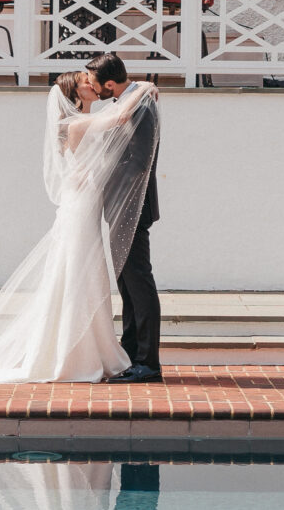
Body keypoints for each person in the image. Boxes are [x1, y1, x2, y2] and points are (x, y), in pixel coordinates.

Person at [0, 68, 158, 384]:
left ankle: (90, 350)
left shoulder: (85, 119)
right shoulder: (76, 124)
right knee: (77, 274)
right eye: (85, 82)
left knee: (85, 275)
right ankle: (73, 354)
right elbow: (119, 118)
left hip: (88, 207)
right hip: (80, 210)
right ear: (74, 94)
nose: (92, 85)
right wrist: (143, 88)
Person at [87, 53, 162, 383]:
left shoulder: (141, 106)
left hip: (132, 206)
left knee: (139, 282)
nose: (93, 89)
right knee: (127, 283)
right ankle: (131, 353)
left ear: (109, 84)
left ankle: (148, 362)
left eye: (95, 84)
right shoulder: (131, 99)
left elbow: (139, 161)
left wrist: (105, 180)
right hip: (119, 206)